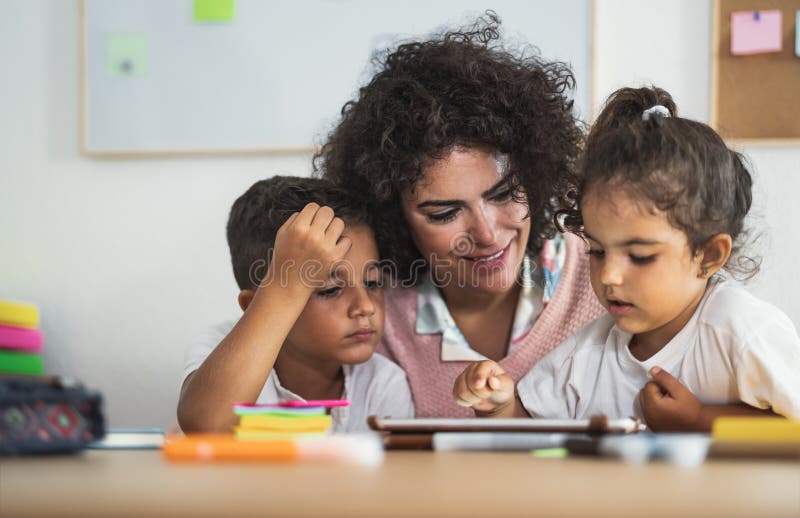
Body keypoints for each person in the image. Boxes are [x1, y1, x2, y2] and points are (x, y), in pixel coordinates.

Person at [452, 86, 800, 431]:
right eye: (598, 251)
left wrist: (699, 420)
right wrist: (500, 407)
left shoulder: (740, 332)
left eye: (639, 256)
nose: (609, 276)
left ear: (708, 256)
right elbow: (531, 431)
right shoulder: (587, 354)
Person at [315, 13, 604, 416]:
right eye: (445, 214)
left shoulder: (606, 273)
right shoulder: (372, 313)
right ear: (394, 219)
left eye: (504, 193)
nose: (486, 233)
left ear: (535, 175)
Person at [177, 177, 413, 433]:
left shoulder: (382, 384)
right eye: (330, 289)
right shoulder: (220, 347)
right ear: (255, 305)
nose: (365, 306)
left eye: (372, 282)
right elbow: (206, 425)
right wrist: (281, 287)